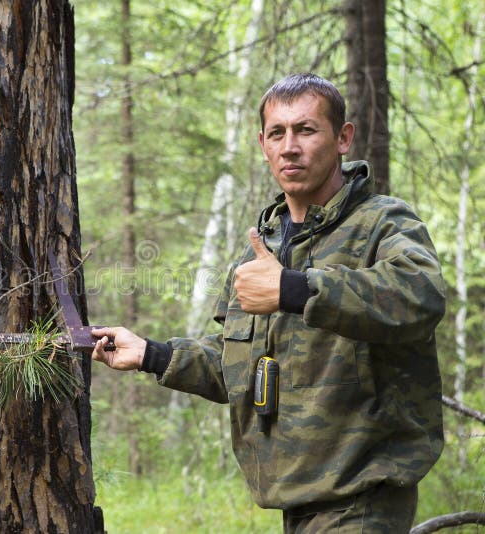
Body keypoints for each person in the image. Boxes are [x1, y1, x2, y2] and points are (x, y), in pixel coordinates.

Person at [91, 73, 446, 533]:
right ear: (263, 144)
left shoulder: (382, 222)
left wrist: (294, 289)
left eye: (306, 130)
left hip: (362, 498)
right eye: (277, 133)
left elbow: (420, 296)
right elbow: (238, 366)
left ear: (343, 138)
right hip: (296, 503)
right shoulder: (264, 247)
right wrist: (152, 354)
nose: (290, 146)